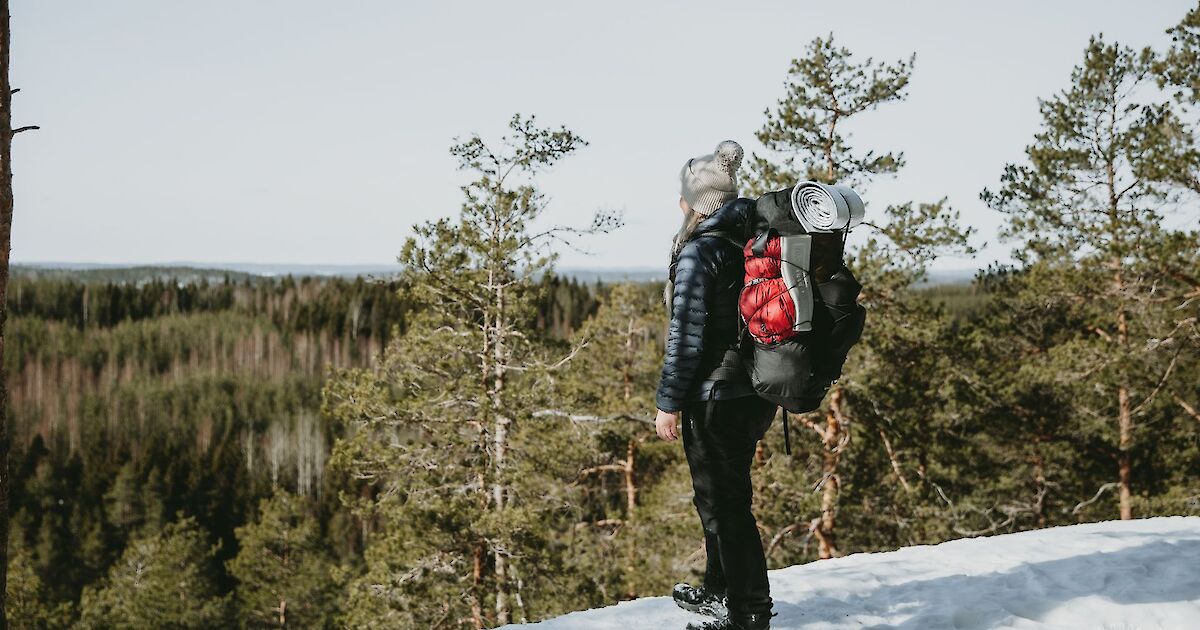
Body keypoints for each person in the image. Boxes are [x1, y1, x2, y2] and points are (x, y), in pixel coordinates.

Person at [656, 140, 778, 630]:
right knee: (722, 499)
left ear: (695, 202)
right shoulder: (747, 243)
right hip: (754, 393)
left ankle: (749, 611)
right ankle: (719, 592)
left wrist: (669, 402)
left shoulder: (699, 252)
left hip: (716, 398)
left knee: (726, 507)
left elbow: (685, 337)